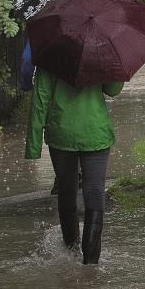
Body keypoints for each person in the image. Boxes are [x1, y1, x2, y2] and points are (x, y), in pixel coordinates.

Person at [25, 68, 123, 265]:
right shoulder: (99, 54)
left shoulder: (50, 58)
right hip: (95, 132)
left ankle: (71, 251)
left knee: (67, 191)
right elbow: (113, 90)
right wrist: (116, 68)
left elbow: (40, 101)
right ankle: (91, 262)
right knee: (95, 193)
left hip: (62, 133)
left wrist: (33, 146)